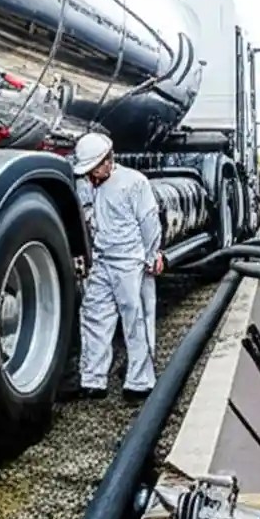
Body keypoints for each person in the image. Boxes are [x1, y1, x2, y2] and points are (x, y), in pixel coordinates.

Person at [71, 132, 164, 403]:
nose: (92, 174)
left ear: (107, 160)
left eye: (94, 168)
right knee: (94, 316)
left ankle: (139, 381)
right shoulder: (85, 183)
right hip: (100, 261)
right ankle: (93, 380)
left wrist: (151, 255)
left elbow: (149, 222)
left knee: (135, 320)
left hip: (130, 262)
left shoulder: (134, 182)